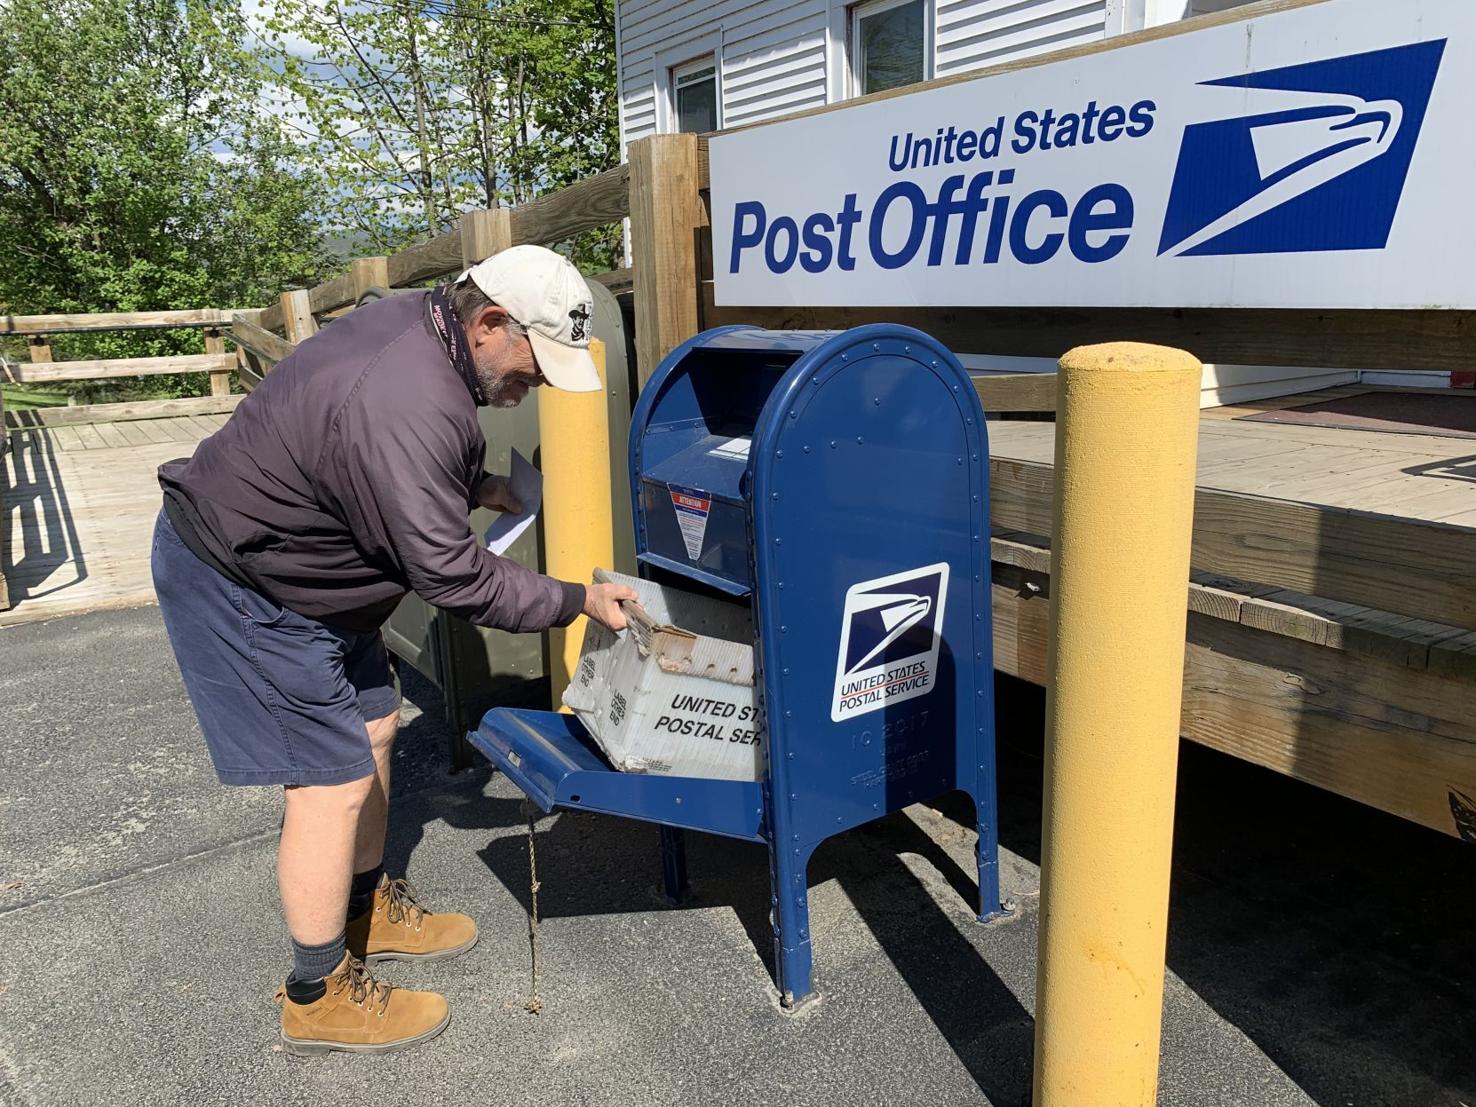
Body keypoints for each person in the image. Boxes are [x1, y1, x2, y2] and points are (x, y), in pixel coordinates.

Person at [151, 244, 636, 1056]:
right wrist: (577, 600)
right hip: (248, 583)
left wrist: (481, 486)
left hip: (317, 579)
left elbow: (390, 464)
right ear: (488, 322)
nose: (536, 386)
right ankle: (316, 991)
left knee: (376, 728)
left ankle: (364, 906)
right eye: (532, 365)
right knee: (329, 781)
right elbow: (456, 578)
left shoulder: (426, 331)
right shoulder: (403, 395)